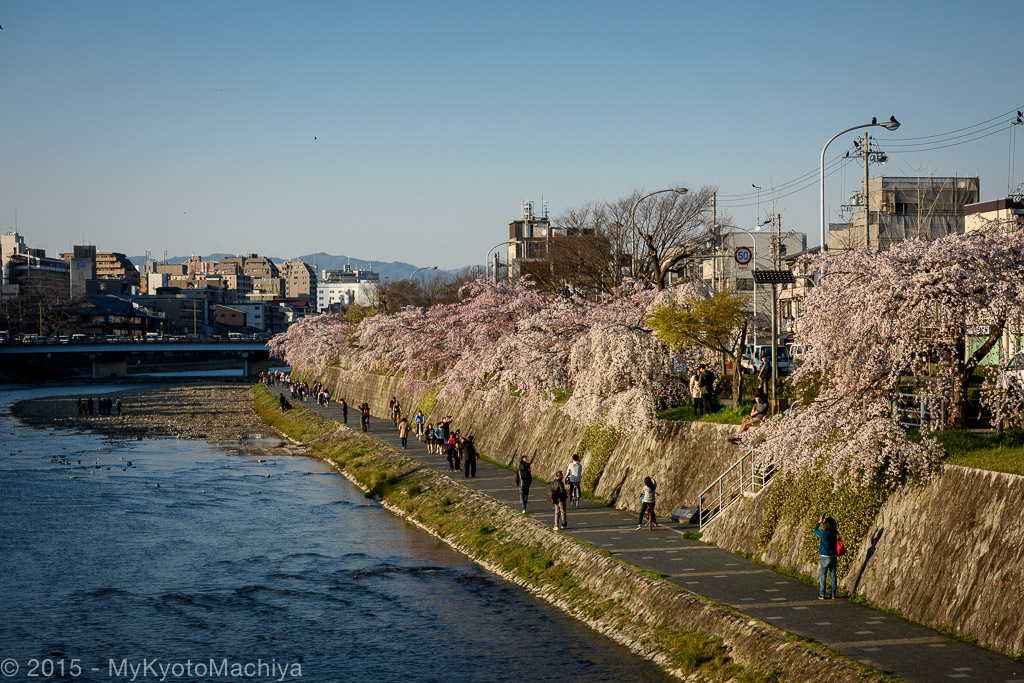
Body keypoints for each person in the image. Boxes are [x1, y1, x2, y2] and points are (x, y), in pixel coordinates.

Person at [813, 516, 840, 599]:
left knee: (823, 576)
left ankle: (822, 594)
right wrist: (825, 522)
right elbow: (829, 526)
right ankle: (833, 594)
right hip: (833, 557)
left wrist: (819, 522)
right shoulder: (834, 533)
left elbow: (815, 530)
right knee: (833, 576)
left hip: (825, 557)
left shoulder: (824, 533)